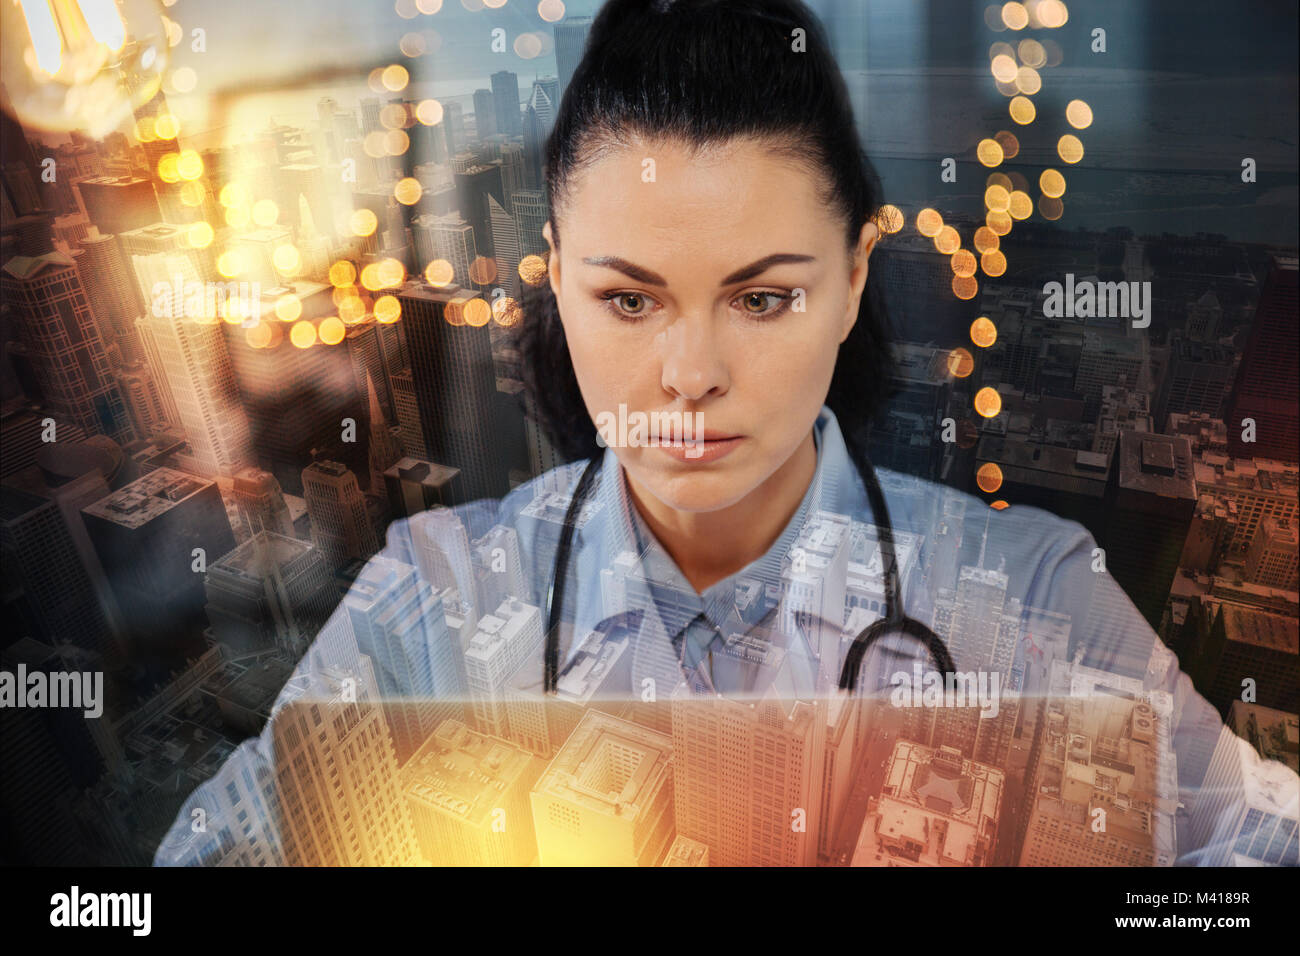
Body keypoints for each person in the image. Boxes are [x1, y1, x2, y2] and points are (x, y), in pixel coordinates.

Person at [155, 0, 1298, 867]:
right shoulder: (434, 588)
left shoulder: (1037, 586)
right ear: (557, 281)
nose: (690, 374)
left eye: (761, 297)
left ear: (852, 282)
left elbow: (1257, 834)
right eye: (628, 297)